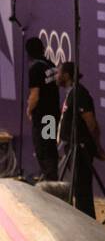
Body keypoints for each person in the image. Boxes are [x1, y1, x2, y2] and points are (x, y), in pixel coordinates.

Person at [56, 62, 105, 218]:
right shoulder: (71, 93)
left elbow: (91, 123)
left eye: (59, 72)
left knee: (82, 189)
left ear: (67, 75)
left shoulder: (79, 94)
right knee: (78, 188)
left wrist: (97, 147)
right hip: (71, 146)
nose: (56, 76)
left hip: (81, 148)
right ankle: (81, 220)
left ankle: (87, 222)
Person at [25, 38, 59, 181]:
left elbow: (35, 95)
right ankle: (51, 179)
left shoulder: (35, 69)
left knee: (43, 150)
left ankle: (50, 181)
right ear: (43, 49)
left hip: (42, 117)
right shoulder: (50, 65)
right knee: (50, 146)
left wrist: (29, 109)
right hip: (51, 116)